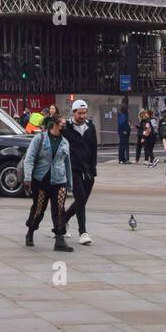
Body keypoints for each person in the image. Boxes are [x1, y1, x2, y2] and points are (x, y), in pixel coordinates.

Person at [22, 114, 74, 253]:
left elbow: (67, 163)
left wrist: (70, 184)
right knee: (39, 208)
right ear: (54, 124)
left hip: (59, 180)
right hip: (41, 180)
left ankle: (59, 239)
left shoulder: (65, 142)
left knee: (59, 209)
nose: (64, 125)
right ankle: (30, 231)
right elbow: (29, 158)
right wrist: (27, 177)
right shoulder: (40, 138)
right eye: (62, 123)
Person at [60, 100, 98, 246]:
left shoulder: (90, 127)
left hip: (88, 170)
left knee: (82, 201)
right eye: (80, 113)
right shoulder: (66, 127)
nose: (82, 116)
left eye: (84, 113)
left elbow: (94, 149)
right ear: (73, 112)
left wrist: (93, 168)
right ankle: (83, 232)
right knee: (80, 198)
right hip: (73, 169)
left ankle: (63, 219)